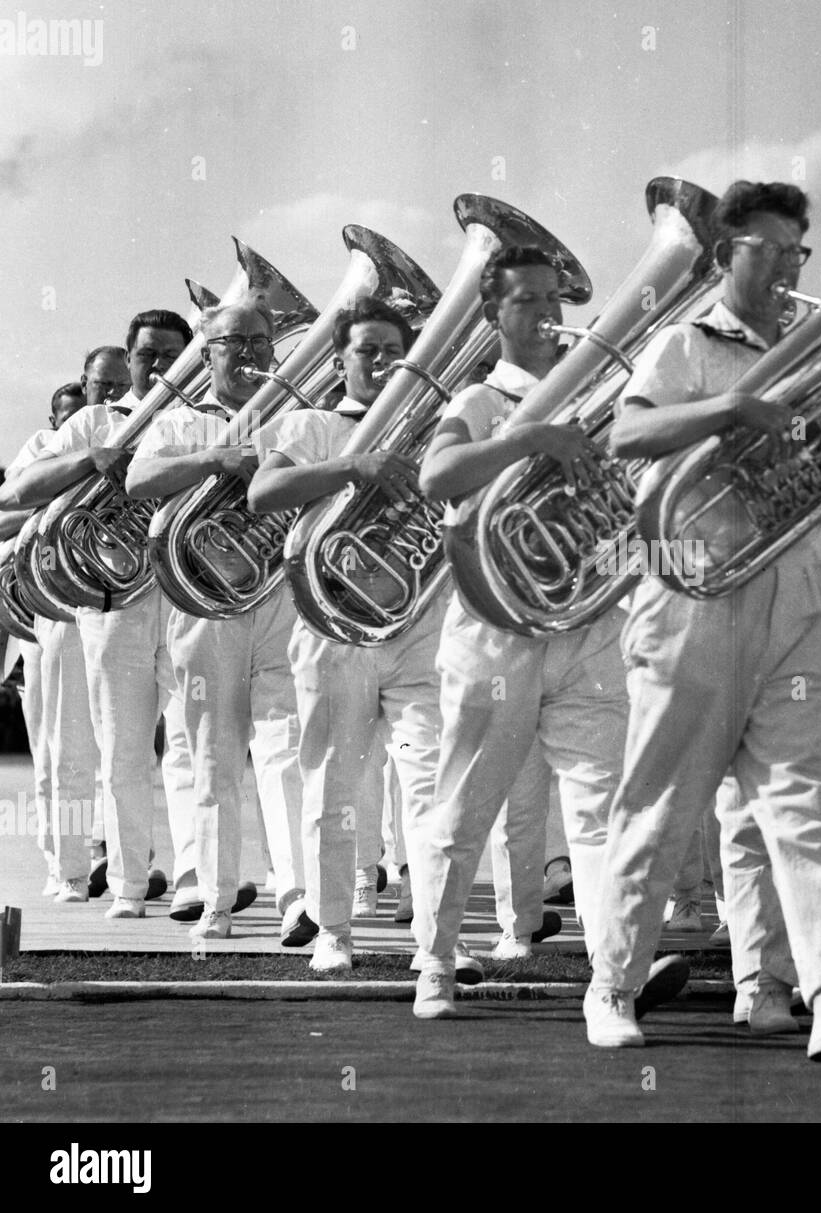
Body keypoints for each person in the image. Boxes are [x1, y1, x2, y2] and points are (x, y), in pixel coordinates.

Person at [584, 181, 821, 1055]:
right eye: (769, 250)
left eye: (797, 254)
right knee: (661, 806)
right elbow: (627, 435)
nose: (786, 268)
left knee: (803, 807)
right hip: (695, 590)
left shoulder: (814, 352)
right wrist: (735, 411)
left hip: (794, 595)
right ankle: (614, 985)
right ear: (723, 256)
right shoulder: (687, 342)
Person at [416, 245, 636, 1019]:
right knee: (464, 809)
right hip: (496, 629)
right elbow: (437, 478)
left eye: (556, 300)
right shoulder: (480, 398)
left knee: (603, 814)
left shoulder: (601, 393)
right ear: (492, 316)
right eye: (528, 301)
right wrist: (531, 440)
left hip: (586, 626)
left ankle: (612, 985)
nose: (549, 315)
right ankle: (436, 962)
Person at [248, 294, 494, 978]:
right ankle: (333, 930)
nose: (383, 361)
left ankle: (439, 940)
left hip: (420, 628)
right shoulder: (314, 424)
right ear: (339, 360)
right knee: (335, 786)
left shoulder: (436, 429)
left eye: (395, 350)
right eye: (368, 349)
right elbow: (263, 494)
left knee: (431, 786)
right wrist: (352, 470)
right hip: (332, 626)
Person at [4, 311, 200, 920]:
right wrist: (93, 459)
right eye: (148, 355)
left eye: (174, 354)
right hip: (102, 596)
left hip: (186, 596)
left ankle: (188, 876)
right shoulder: (93, 420)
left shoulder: (203, 421)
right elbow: (18, 491)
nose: (162, 366)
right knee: (95, 746)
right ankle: (98, 876)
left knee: (191, 747)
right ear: (130, 355)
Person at [125, 299, 307, 942]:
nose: (256, 352)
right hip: (204, 607)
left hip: (280, 601)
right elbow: (139, 480)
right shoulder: (179, 421)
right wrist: (214, 462)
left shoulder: (294, 415)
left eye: (265, 340)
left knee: (287, 754)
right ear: (208, 355)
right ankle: (217, 900)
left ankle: (298, 895)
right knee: (212, 759)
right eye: (238, 342)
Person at [0, 380, 94, 899]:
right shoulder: (39, 451)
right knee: (53, 744)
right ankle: (61, 860)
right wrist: (60, 502)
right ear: (55, 422)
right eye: (69, 415)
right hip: (42, 609)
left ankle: (114, 853)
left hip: (107, 604)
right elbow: (4, 512)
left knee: (116, 744)